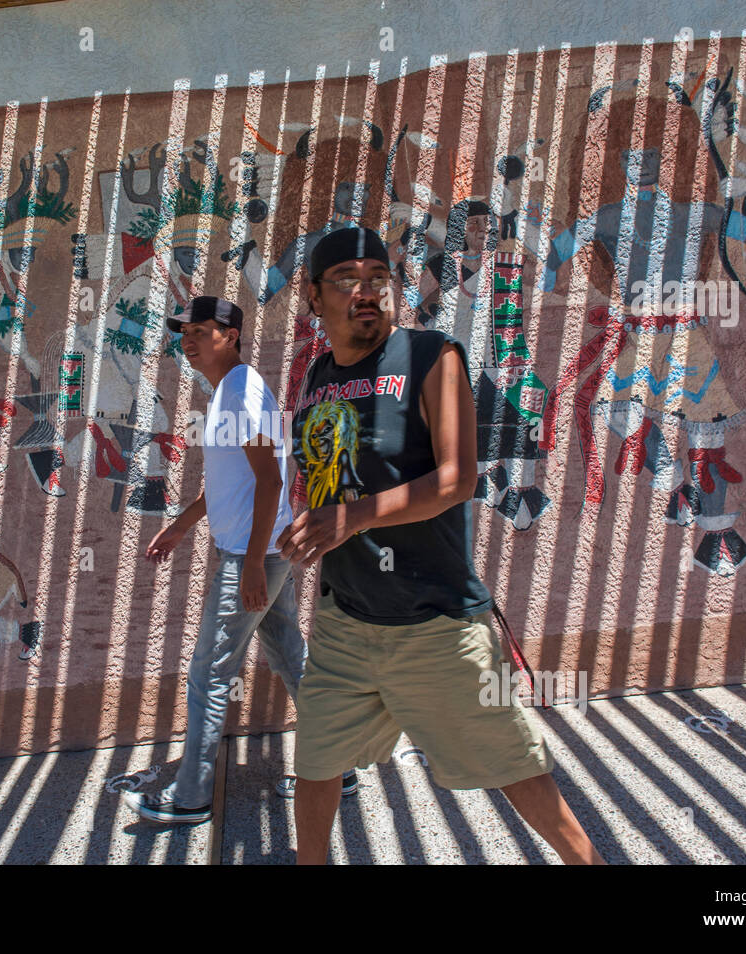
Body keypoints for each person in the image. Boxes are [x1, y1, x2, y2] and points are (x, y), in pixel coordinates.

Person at [279, 226, 604, 864]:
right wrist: (313, 524)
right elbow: (329, 482)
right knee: (315, 764)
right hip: (346, 620)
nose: (365, 291)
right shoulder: (318, 373)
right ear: (315, 299)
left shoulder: (431, 356)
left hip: (435, 625)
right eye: (347, 279)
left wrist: (352, 518)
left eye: (378, 276)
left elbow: (459, 479)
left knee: (515, 770)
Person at [124, 296, 354, 823]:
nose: (188, 339)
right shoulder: (230, 391)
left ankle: (191, 797)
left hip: (254, 555)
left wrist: (251, 562)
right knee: (291, 658)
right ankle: (338, 766)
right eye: (183, 331)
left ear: (229, 335)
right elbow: (239, 478)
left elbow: (272, 481)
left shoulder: (242, 393)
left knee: (208, 672)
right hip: (260, 551)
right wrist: (184, 523)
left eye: (200, 330)